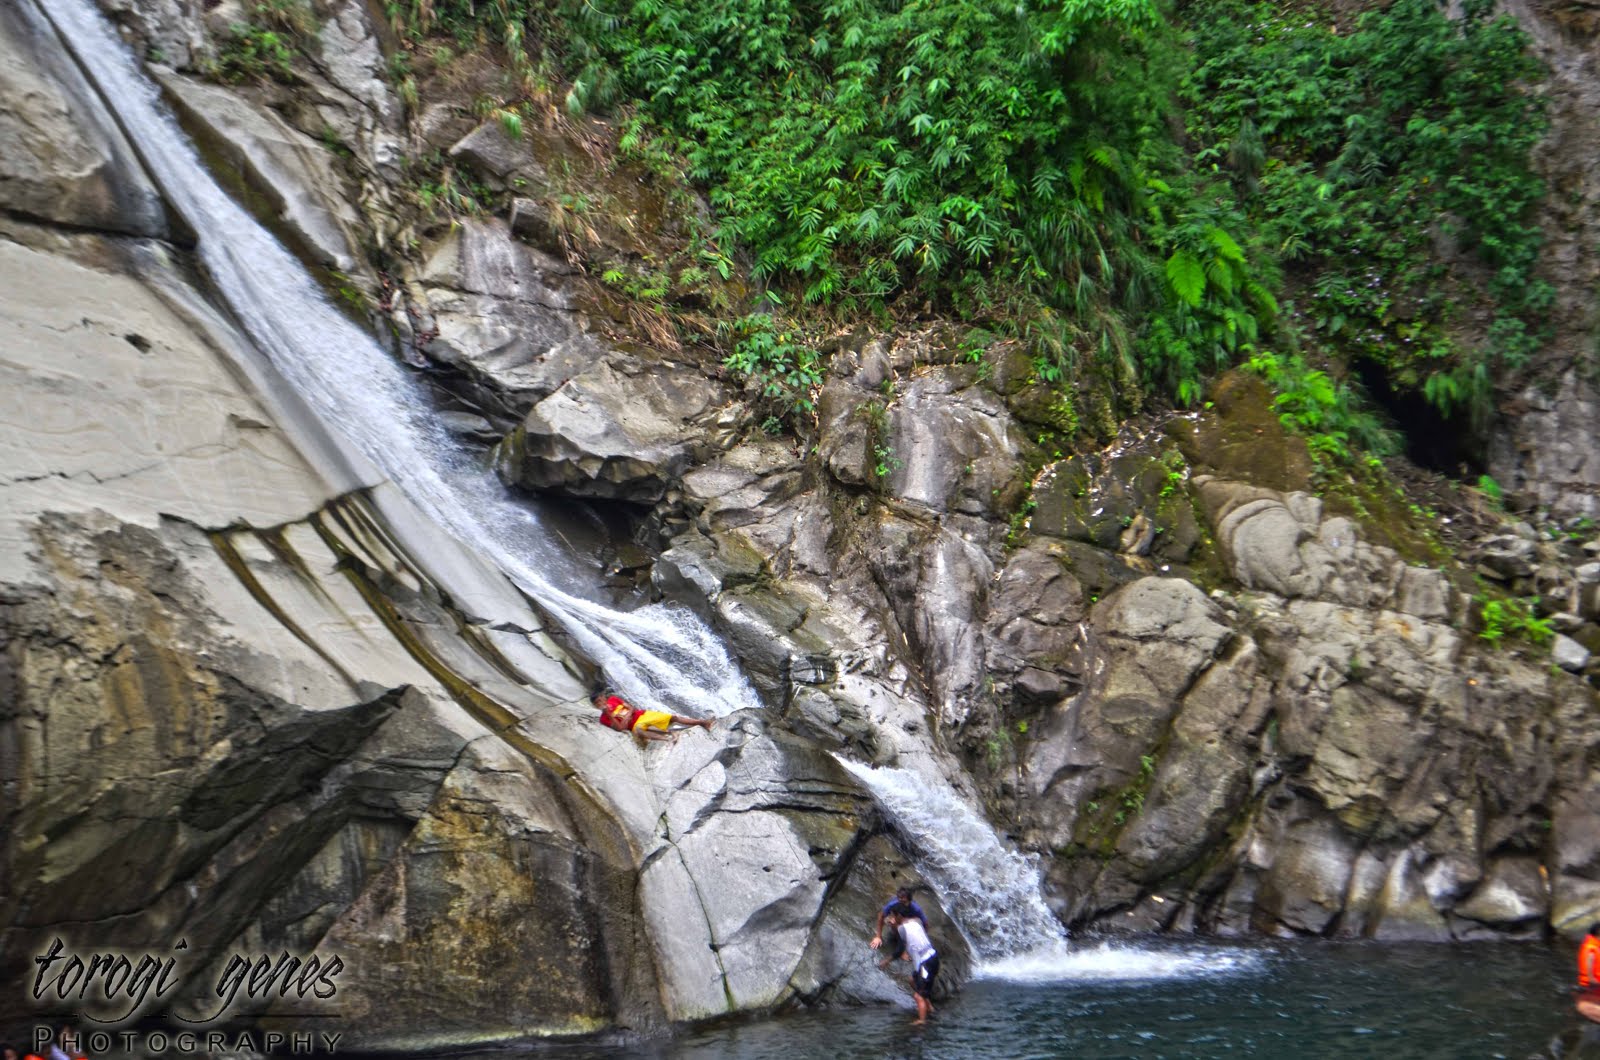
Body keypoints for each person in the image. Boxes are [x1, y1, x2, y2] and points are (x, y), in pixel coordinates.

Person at [884, 908, 940, 1024]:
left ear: (898, 916)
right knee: (912, 980)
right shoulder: (914, 922)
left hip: (927, 963)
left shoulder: (902, 929)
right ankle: (928, 1006)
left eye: (892, 916)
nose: (891, 919)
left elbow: (899, 949)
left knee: (918, 996)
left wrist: (886, 960)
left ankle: (922, 1021)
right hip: (931, 958)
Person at [594, 691, 712, 744]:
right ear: (596, 706)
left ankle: (702, 722)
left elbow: (631, 707)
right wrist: (609, 714)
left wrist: (628, 715)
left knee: (673, 717)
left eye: (601, 700)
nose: (601, 703)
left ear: (603, 697)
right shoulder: (604, 719)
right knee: (639, 730)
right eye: (598, 703)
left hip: (642, 714)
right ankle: (669, 738)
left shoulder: (614, 699)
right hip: (634, 724)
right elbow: (621, 728)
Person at [870, 887, 927, 969]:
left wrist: (922, 937)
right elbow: (881, 916)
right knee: (893, 922)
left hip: (910, 924)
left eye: (904, 901)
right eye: (899, 900)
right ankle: (899, 938)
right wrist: (878, 936)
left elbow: (925, 923)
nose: (901, 902)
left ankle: (904, 948)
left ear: (909, 901)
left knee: (906, 928)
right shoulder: (894, 903)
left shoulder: (916, 909)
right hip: (896, 918)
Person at [1577, 923, 1600, 1023]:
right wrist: (1592, 980)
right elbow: (1589, 964)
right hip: (1592, 984)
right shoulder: (1591, 948)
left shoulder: (1595, 944)